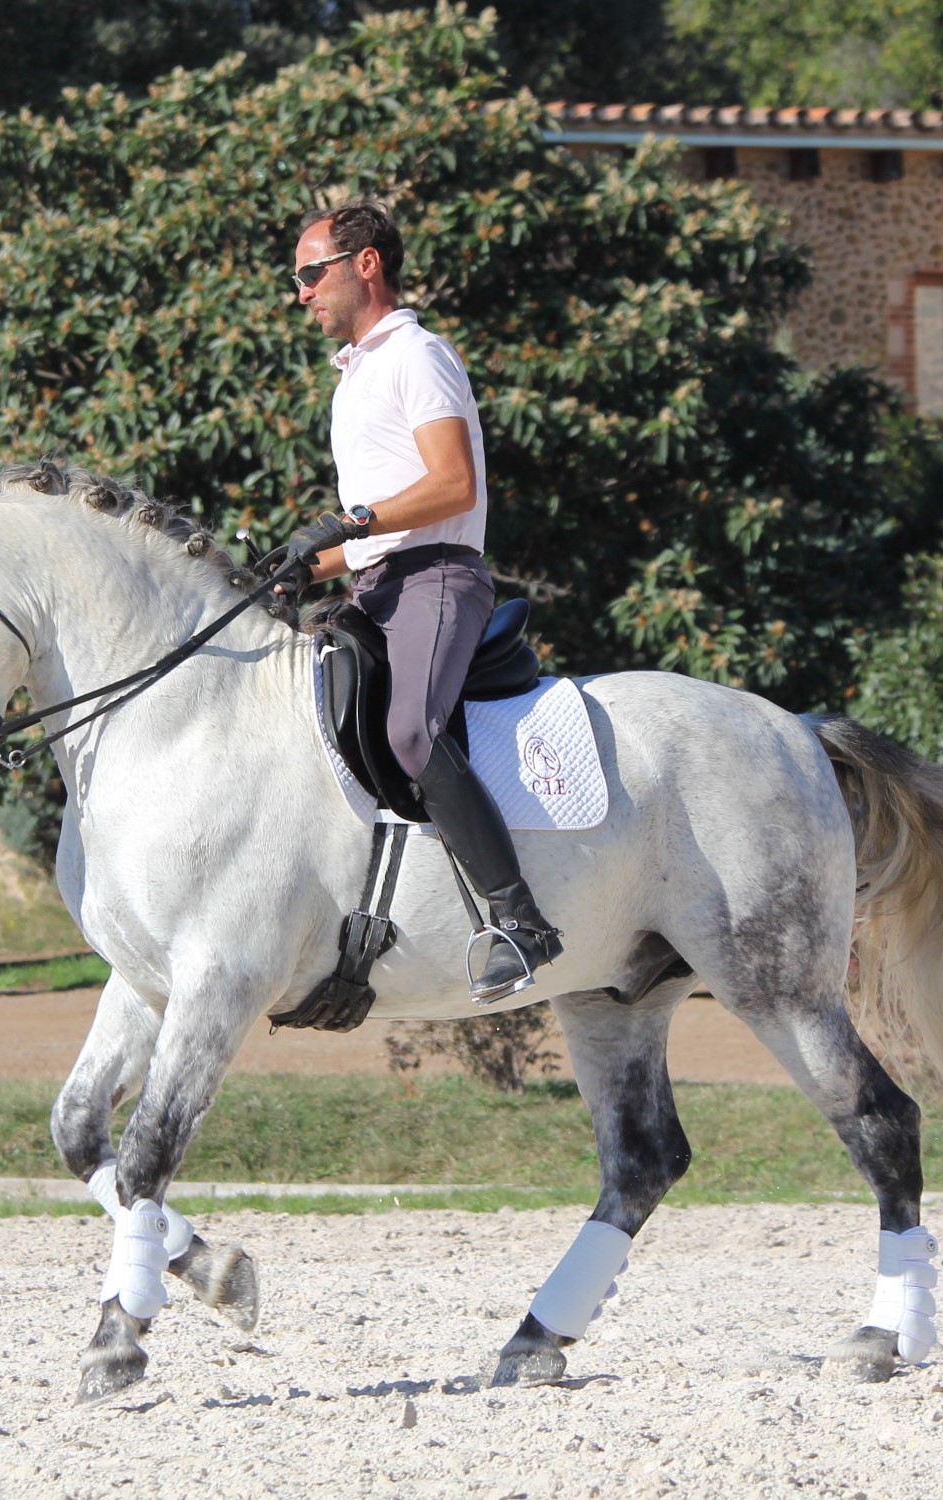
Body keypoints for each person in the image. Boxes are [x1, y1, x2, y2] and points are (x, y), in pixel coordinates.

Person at [275, 201, 561, 1003]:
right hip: (377, 582)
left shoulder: (418, 355)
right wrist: (303, 566)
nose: (300, 293)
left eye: (309, 272)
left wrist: (348, 521)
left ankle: (518, 920)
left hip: (437, 577)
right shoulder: (357, 375)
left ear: (364, 263)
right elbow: (366, 536)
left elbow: (451, 485)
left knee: (408, 731)